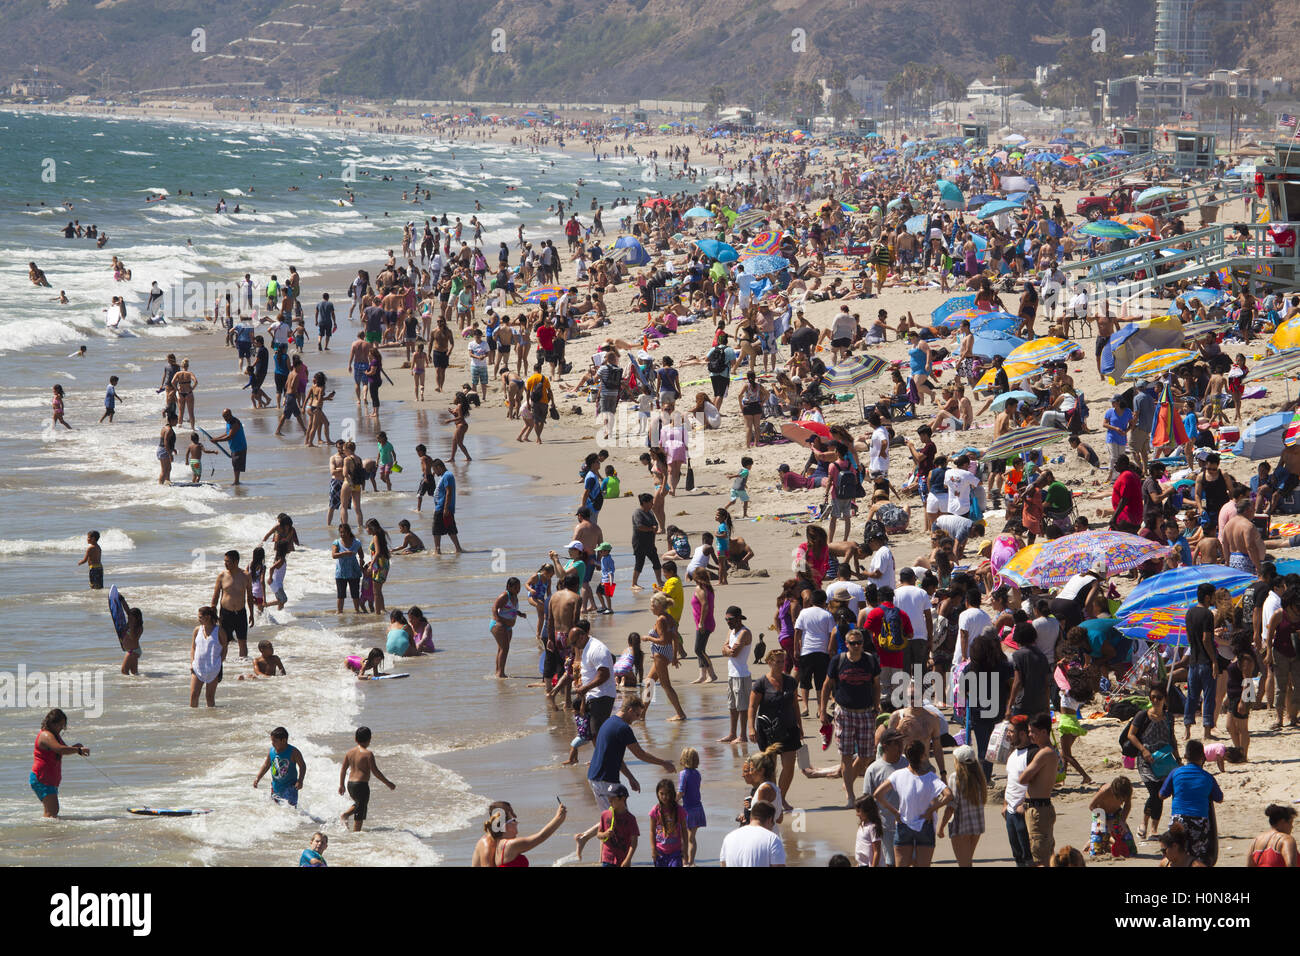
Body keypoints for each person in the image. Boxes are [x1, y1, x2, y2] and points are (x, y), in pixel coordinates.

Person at [576, 695, 675, 860]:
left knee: (613, 816)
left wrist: (630, 777)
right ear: (629, 710)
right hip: (603, 779)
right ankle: (600, 851)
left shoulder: (609, 722)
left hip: (600, 777)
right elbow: (640, 754)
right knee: (616, 819)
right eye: (636, 715)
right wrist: (663, 763)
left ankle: (596, 850)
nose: (637, 719)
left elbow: (616, 756)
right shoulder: (623, 728)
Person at [819, 627, 881, 806]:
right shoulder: (838, 661)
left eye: (859, 643)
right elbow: (826, 685)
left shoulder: (870, 660)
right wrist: (822, 710)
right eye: (852, 643)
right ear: (846, 644)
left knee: (866, 755)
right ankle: (850, 796)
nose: (856, 646)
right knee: (846, 755)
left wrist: (877, 705)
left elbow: (876, 685)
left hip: (866, 712)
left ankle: (848, 782)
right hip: (844, 712)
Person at [873, 739, 952, 867]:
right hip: (925, 825)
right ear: (923, 756)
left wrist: (895, 812)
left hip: (904, 822)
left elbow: (877, 794)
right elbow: (949, 795)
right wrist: (931, 810)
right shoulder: (931, 777)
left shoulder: (898, 775)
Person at [749, 649, 802, 810]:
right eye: (777, 661)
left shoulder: (791, 682)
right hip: (768, 729)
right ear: (769, 662)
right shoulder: (760, 683)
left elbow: (795, 705)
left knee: (789, 766)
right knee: (770, 769)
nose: (781, 665)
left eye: (783, 661)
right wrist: (751, 728)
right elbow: (752, 706)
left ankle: (781, 798)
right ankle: (770, 800)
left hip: (789, 727)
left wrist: (800, 725)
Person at [1159, 739, 1224, 866]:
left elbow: (1161, 795)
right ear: (1203, 758)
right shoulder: (1208, 777)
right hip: (1198, 821)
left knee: (1174, 855)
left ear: (1185, 756)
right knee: (1197, 856)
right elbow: (1219, 798)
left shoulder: (1175, 773)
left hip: (1178, 820)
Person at [1016, 712, 1060, 866]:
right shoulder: (1049, 752)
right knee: (1046, 854)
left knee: (1039, 859)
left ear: (1044, 732)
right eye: (1029, 732)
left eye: (1033, 732)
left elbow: (1023, 778)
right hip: (1040, 808)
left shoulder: (1044, 753)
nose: (1030, 735)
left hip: (1038, 810)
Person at [471, 800, 568, 867]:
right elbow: (540, 837)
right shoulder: (489, 843)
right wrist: (559, 818)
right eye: (512, 817)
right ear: (503, 824)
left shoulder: (498, 842)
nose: (516, 817)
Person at [30, 709, 89, 818]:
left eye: (63, 725)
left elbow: (64, 749)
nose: (62, 728)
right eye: (61, 725)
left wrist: (76, 747)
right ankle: (49, 834)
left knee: (52, 812)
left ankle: (51, 834)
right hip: (42, 778)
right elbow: (60, 749)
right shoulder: (46, 735)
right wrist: (78, 750)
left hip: (49, 778)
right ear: (52, 723)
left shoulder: (54, 735)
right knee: (52, 812)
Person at [338, 726, 397, 832]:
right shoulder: (368, 754)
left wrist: (341, 785)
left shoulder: (349, 752)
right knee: (360, 812)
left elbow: (343, 769)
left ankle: (346, 816)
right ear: (369, 739)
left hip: (350, 784)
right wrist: (388, 783)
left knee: (359, 805)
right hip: (361, 785)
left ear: (355, 739)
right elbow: (375, 772)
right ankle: (355, 832)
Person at [938, 744, 987, 866]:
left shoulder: (956, 778)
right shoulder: (979, 777)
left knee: (964, 863)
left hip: (961, 826)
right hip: (977, 825)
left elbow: (951, 805)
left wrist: (941, 826)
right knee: (967, 862)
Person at [1184, 582, 1218, 742]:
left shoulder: (1189, 613)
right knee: (1209, 696)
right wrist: (1214, 660)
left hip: (1193, 660)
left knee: (1191, 696)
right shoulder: (1207, 614)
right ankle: (1206, 731)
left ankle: (1187, 731)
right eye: (1212, 596)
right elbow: (1206, 639)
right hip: (1205, 660)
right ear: (1207, 597)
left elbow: (1190, 639)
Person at [717, 605, 751, 742]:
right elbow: (724, 649)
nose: (728, 622)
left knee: (742, 707)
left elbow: (734, 653)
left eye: (730, 619)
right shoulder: (731, 632)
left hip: (741, 675)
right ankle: (732, 733)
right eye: (726, 619)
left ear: (738, 618)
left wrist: (728, 650)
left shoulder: (744, 632)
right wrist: (727, 650)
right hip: (731, 674)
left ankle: (742, 735)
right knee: (732, 706)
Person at [719, 800, 785, 867]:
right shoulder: (772, 839)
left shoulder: (729, 837)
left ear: (751, 817)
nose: (773, 824)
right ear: (770, 819)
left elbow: (723, 864)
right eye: (773, 821)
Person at [253, 727, 307, 808]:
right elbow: (266, 765)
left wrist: (300, 780)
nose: (272, 743)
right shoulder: (271, 751)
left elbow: (302, 766)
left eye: (275, 741)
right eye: (272, 741)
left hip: (291, 788)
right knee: (276, 810)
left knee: (291, 811)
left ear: (284, 740)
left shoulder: (293, 752)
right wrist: (258, 778)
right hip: (276, 788)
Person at [188, 605, 228, 708]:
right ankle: (193, 719)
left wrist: (220, 662)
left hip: (213, 667)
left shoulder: (219, 631)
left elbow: (225, 647)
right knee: (193, 695)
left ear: (208, 617)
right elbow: (193, 648)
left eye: (200, 617)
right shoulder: (197, 630)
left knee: (209, 697)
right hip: (198, 667)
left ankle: (211, 720)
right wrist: (192, 663)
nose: (198, 619)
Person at [677, 747, 706, 867]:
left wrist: (673, 802)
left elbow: (681, 791)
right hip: (698, 808)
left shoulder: (683, 774)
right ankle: (691, 862)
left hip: (688, 809)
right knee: (692, 838)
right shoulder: (697, 774)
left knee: (684, 838)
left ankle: (685, 862)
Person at [490, 577, 524, 678]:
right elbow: (494, 608)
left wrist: (519, 613)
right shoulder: (505, 596)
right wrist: (499, 622)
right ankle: (501, 673)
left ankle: (498, 672)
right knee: (504, 649)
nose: (518, 589)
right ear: (509, 586)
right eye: (515, 587)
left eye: (519, 587)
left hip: (508, 627)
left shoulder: (515, 596)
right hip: (499, 625)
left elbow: (510, 609)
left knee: (502, 649)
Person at [430, 458, 462, 554]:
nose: (434, 472)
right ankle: (458, 549)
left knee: (436, 530)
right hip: (443, 507)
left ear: (439, 467)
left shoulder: (447, 476)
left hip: (442, 507)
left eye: (434, 469)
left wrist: (446, 508)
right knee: (450, 529)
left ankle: (437, 550)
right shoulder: (444, 476)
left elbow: (449, 492)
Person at [208, 408, 248, 485]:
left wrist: (217, 440)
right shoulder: (228, 422)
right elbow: (226, 433)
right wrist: (216, 438)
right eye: (224, 417)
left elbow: (230, 436)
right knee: (235, 464)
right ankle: (236, 481)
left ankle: (236, 482)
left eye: (226, 416)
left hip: (240, 447)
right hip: (234, 447)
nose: (225, 419)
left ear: (230, 415)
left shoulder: (235, 423)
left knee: (236, 465)